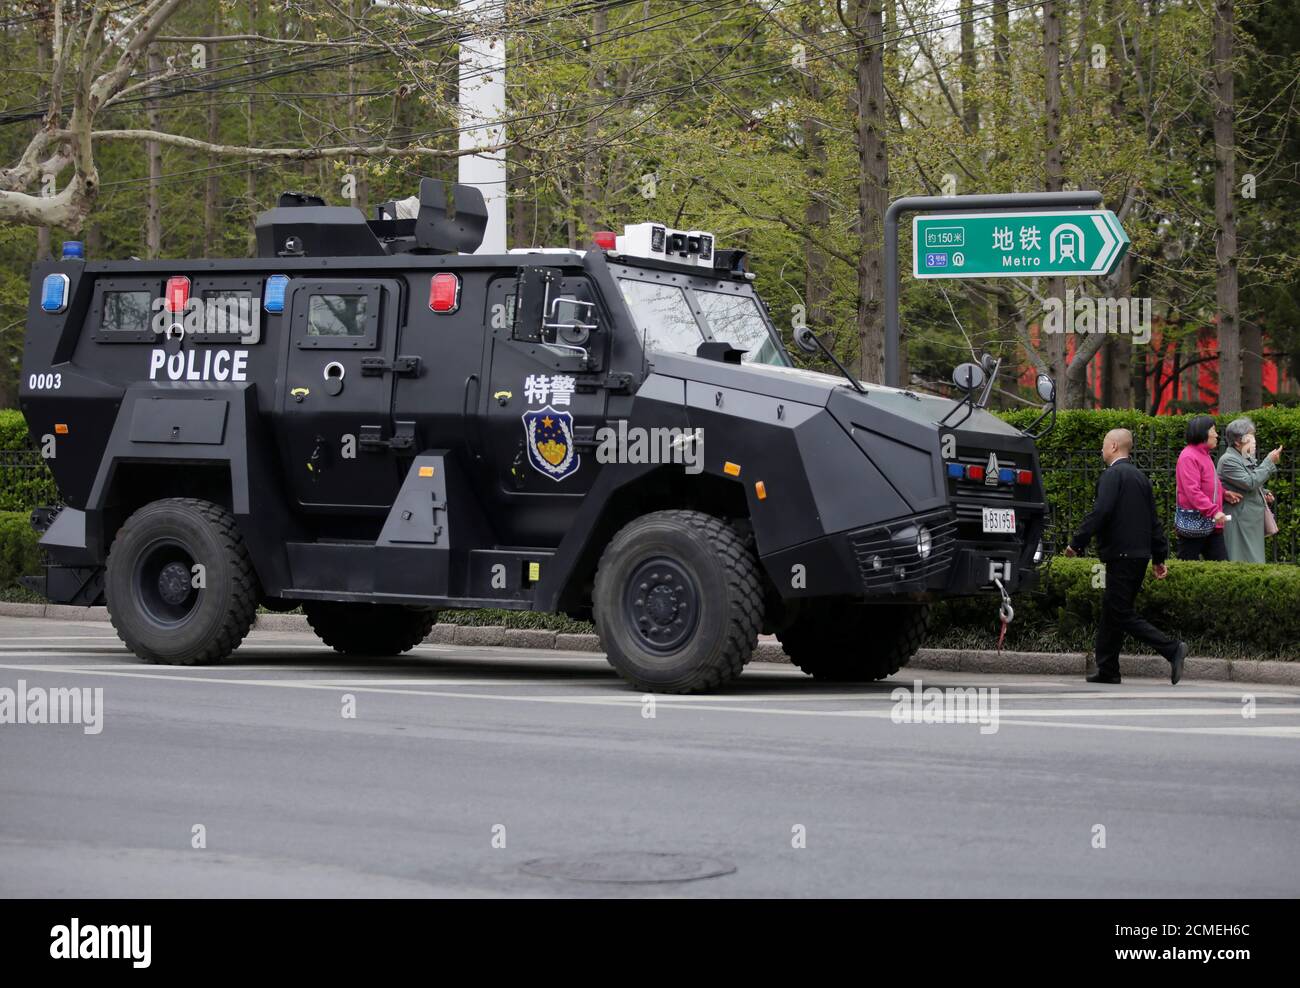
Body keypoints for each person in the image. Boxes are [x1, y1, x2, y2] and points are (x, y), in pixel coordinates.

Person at [1064, 428, 1187, 685]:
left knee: (1120, 612)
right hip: (1139, 556)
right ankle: (1108, 669)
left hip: (1121, 555)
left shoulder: (1112, 476)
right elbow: (1154, 521)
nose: (1101, 450)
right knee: (1112, 611)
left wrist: (1077, 543)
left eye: (1103, 445)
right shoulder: (1141, 478)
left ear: (1113, 447)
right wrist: (1159, 557)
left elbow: (1100, 512)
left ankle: (1172, 649)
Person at [1217, 417, 1282, 563]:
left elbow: (1251, 483)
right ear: (1237, 441)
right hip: (1239, 522)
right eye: (1250, 437)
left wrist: (1263, 493)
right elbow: (1250, 482)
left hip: (1249, 521)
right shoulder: (1228, 460)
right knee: (1241, 562)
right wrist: (1269, 462)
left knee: (1254, 563)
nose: (1254, 441)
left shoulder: (1243, 457)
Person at [1174, 415, 1228, 560]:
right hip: (1196, 523)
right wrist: (1213, 511)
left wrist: (1225, 494)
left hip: (1211, 522)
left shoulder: (1204, 454)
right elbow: (1192, 491)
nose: (1216, 435)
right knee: (1187, 566)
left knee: (1221, 567)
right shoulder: (1189, 456)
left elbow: (1211, 483)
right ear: (1203, 432)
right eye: (1213, 430)